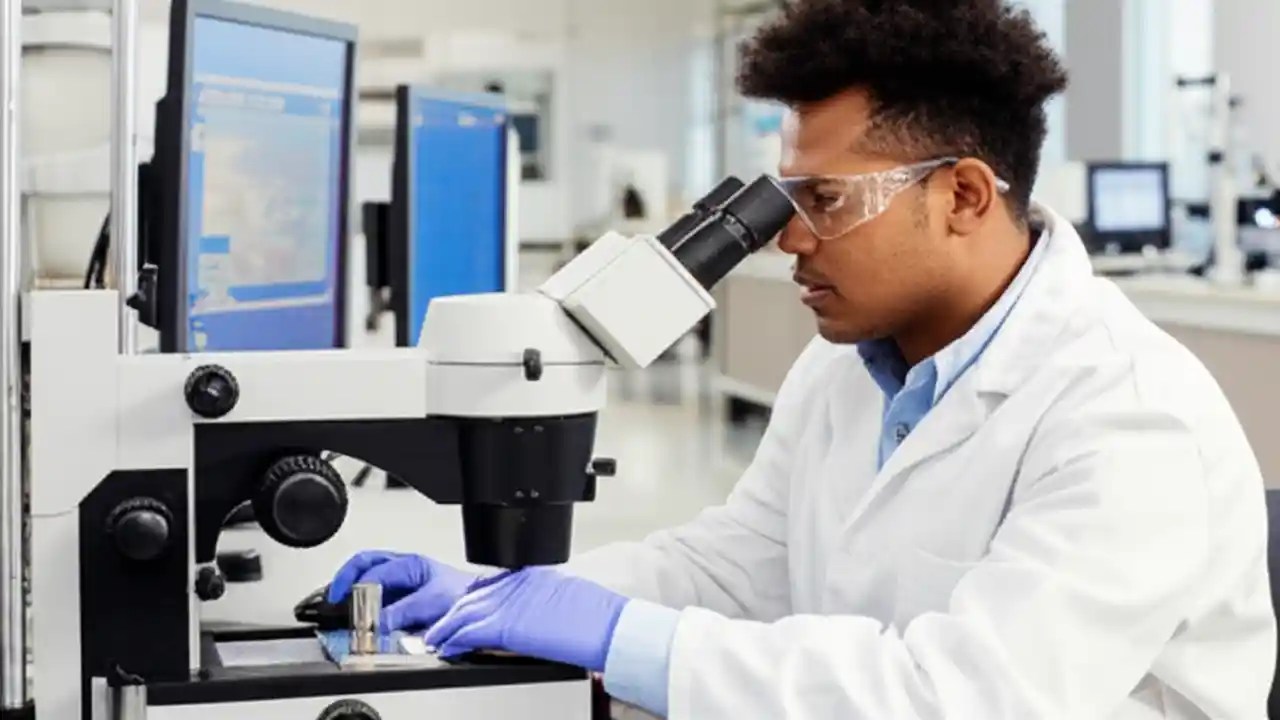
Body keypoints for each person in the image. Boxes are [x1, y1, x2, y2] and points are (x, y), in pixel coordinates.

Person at [328, 1, 1277, 717]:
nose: (789, 240)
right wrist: (513, 597)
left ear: (963, 196)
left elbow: (965, 697)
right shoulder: (852, 362)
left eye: (825, 201)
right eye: (785, 201)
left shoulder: (1131, 417)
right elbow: (742, 568)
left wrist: (621, 639)